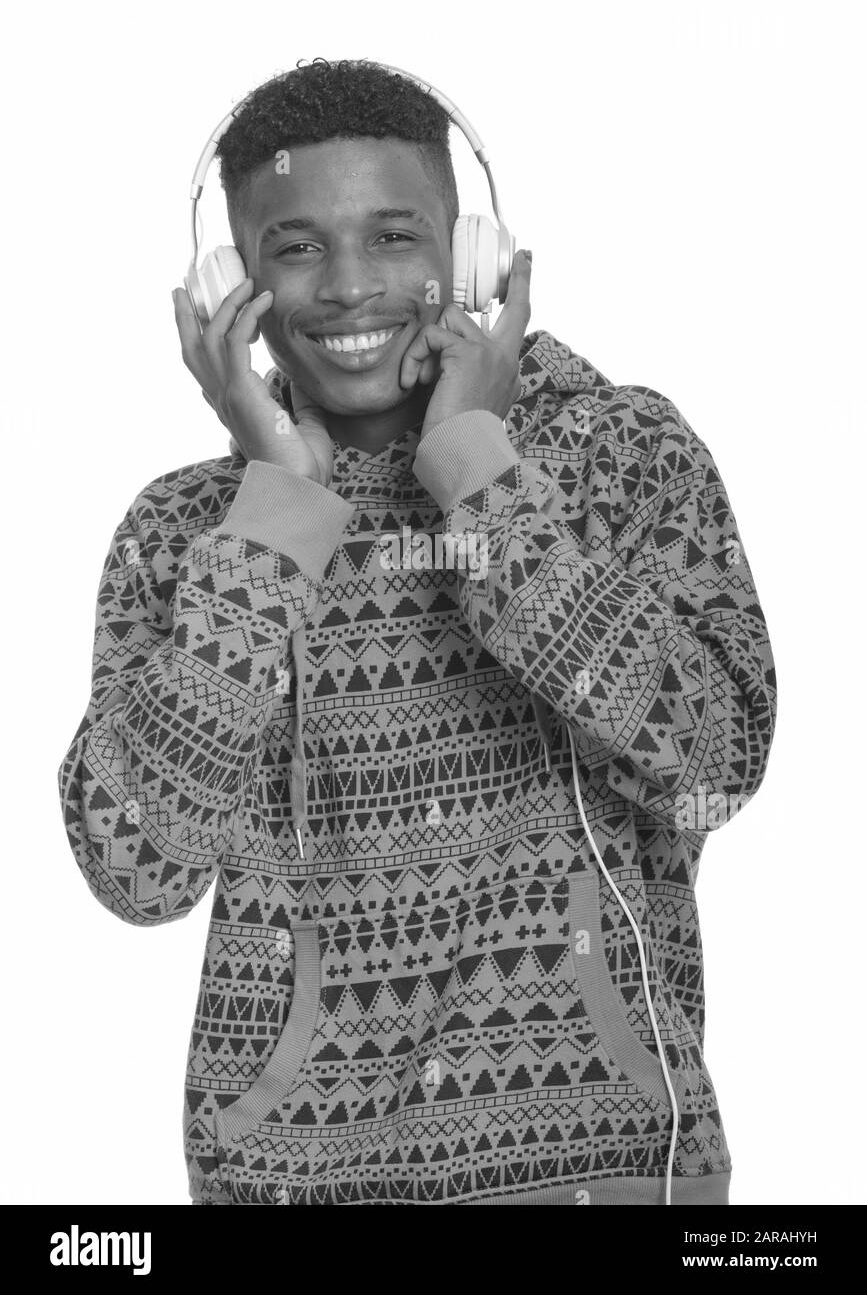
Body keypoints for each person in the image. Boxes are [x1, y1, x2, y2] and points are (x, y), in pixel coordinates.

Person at [57, 58, 776, 1206]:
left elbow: (715, 758)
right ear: (228, 283)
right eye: (295, 248)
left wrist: (480, 476)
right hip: (290, 1184)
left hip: (608, 1170)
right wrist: (276, 521)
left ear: (473, 255)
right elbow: (135, 869)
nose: (349, 288)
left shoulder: (621, 456)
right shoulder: (190, 531)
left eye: (395, 236)